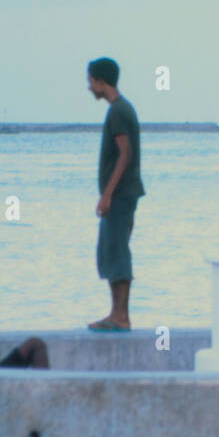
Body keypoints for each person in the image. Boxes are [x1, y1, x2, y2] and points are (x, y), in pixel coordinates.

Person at [86, 57, 145, 332]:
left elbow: (125, 154)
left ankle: (121, 316)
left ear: (101, 81)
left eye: (90, 81)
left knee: (117, 252)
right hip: (123, 194)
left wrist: (107, 194)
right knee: (111, 252)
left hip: (121, 195)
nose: (89, 87)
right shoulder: (121, 109)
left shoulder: (119, 111)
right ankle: (116, 314)